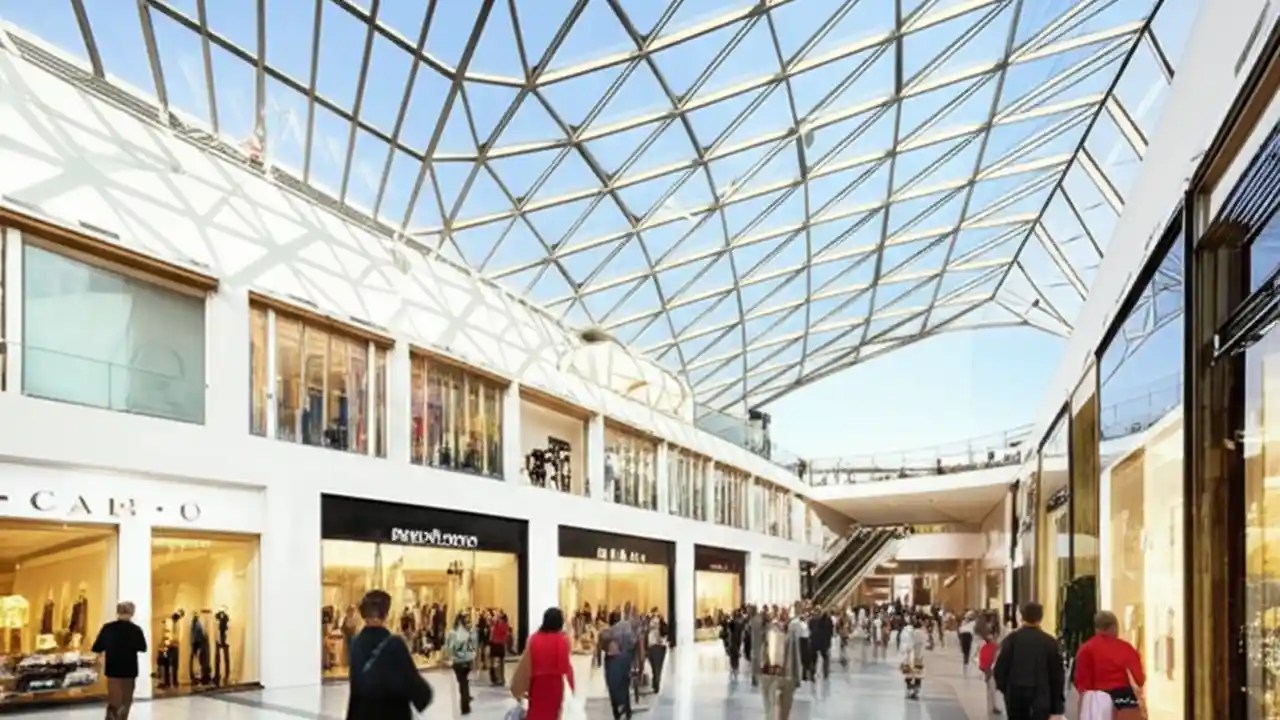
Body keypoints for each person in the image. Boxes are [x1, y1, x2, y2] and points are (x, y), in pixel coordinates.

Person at [345, 590, 433, 720]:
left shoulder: (355, 644)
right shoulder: (395, 644)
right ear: (386, 615)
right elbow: (416, 686)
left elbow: (356, 688)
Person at [993, 602, 1065, 720]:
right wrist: (1057, 706)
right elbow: (1057, 675)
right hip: (1041, 694)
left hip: (1015, 694)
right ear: (1040, 618)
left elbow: (1000, 668)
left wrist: (1005, 689)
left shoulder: (1012, 640)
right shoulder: (1049, 642)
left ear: (1021, 616)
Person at [1074, 611, 1145, 719]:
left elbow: (1082, 682)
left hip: (1097, 701)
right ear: (1113, 627)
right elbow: (1139, 679)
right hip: (1124, 700)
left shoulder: (1086, 649)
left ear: (1096, 628)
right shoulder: (1126, 648)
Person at [512, 607, 576, 720]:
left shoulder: (534, 639)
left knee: (537, 714)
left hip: (538, 686)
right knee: (553, 714)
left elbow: (525, 667)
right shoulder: (563, 641)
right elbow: (566, 668)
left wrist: (518, 689)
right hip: (556, 687)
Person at [91, 601, 147, 720]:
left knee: (114, 700)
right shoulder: (136, 630)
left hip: (113, 670)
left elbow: (97, 647)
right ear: (132, 613)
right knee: (125, 701)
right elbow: (143, 647)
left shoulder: (108, 628)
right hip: (129, 670)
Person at [759, 607, 803, 720]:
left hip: (784, 674)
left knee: (781, 710)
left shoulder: (792, 631)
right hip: (772, 674)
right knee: (772, 710)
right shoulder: (768, 630)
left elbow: (796, 653)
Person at [446, 613, 477, 715]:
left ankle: (465, 705)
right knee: (464, 682)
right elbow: (473, 645)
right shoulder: (468, 632)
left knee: (462, 682)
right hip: (467, 660)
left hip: (458, 661)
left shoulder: (452, 633)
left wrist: (450, 657)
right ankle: (466, 703)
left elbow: (449, 647)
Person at [899, 616, 926, 700]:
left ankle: (909, 689)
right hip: (918, 656)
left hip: (908, 655)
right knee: (918, 674)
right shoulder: (922, 633)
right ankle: (916, 691)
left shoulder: (906, 631)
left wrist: (903, 652)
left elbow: (904, 643)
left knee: (908, 674)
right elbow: (924, 644)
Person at [978, 631, 1003, 716]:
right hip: (992, 670)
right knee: (993, 689)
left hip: (988, 670)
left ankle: (992, 706)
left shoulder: (985, 647)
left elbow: (982, 660)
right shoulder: (994, 647)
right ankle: (995, 706)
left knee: (990, 689)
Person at [645, 608, 669, 694]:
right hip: (660, 646)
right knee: (658, 667)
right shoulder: (660, 621)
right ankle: (656, 683)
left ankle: (656, 683)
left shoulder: (650, 623)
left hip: (653, 646)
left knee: (655, 668)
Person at [808, 608, 834, 679]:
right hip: (824, 642)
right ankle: (825, 673)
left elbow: (810, 629)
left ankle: (812, 673)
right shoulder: (828, 620)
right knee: (825, 657)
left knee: (813, 659)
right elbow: (831, 632)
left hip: (814, 641)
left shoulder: (812, 620)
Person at [490, 611, 511, 686]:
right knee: (501, 663)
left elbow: (493, 633)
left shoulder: (498, 624)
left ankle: (497, 678)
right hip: (501, 645)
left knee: (496, 662)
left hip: (496, 644)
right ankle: (502, 679)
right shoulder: (505, 625)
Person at [726, 609, 746, 678]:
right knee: (735, 655)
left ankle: (733, 667)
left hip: (733, 641)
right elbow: (741, 633)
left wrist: (728, 643)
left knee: (733, 655)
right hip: (736, 641)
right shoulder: (738, 624)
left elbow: (729, 633)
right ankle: (735, 668)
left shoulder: (732, 623)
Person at [958, 611, 977, 676]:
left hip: (967, 635)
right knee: (965, 651)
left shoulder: (973, 622)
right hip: (965, 635)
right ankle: (966, 662)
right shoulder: (965, 622)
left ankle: (966, 663)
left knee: (967, 651)